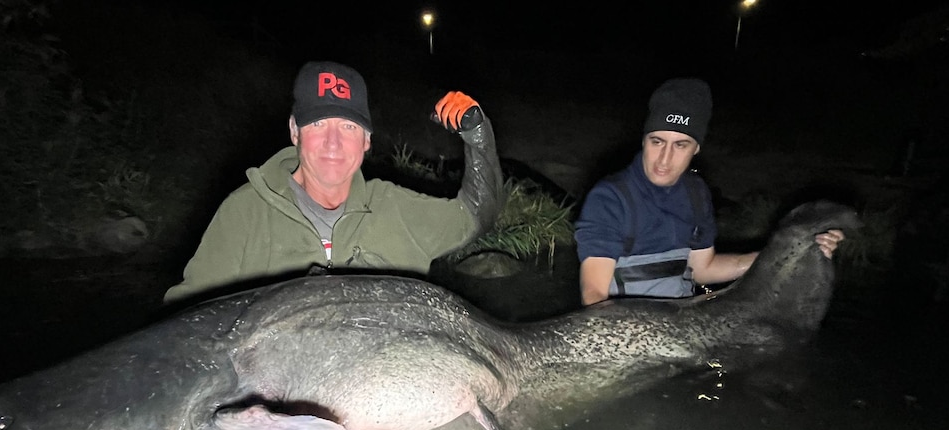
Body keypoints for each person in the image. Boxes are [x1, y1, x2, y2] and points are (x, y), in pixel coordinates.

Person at [163, 60, 504, 306]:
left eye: (349, 127)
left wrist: (479, 135)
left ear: (367, 141)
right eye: (318, 124)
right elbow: (183, 326)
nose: (333, 142)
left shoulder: (396, 208)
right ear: (295, 131)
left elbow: (478, 214)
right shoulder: (244, 213)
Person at [573, 78, 844, 305]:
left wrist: (794, 253)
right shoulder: (609, 198)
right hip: (627, 334)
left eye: (680, 145)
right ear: (644, 140)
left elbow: (703, 270)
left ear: (696, 148)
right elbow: (594, 294)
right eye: (657, 141)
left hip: (684, 321)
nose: (664, 159)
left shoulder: (695, 193)